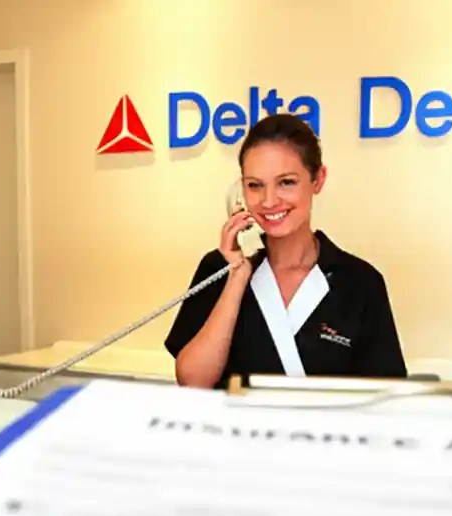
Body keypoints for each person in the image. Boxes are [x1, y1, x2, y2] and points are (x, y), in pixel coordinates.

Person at [165, 113, 408, 389]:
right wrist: (237, 277)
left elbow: (384, 396)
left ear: (317, 179)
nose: (269, 201)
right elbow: (193, 382)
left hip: (323, 432)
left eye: (286, 182)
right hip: (233, 432)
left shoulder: (360, 282)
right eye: (255, 185)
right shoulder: (219, 269)